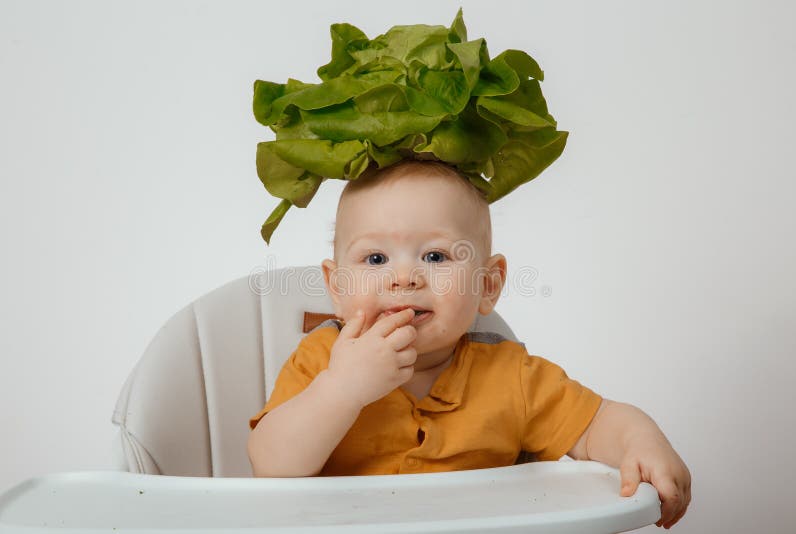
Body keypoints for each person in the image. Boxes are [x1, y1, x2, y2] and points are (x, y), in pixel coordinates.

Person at [247, 159, 691, 529]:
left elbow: (596, 425)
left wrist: (642, 442)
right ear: (337, 286)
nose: (404, 277)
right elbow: (270, 465)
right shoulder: (322, 361)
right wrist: (342, 389)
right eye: (376, 258)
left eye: (436, 256)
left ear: (488, 284)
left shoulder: (511, 376)